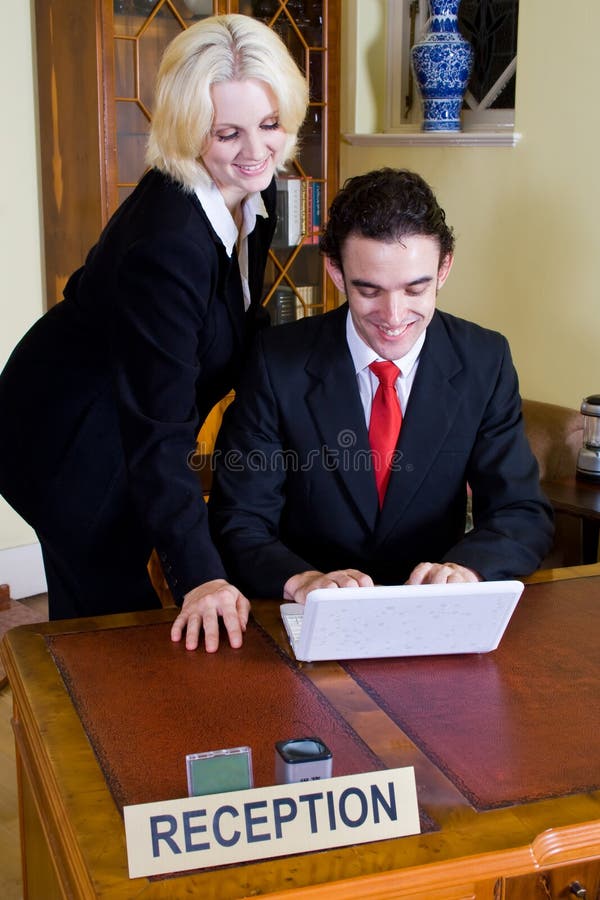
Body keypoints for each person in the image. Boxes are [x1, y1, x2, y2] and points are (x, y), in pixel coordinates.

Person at [0, 15, 308, 650]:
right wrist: (199, 577)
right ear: (189, 130)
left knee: (109, 610)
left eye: (270, 124)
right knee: (114, 627)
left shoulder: (254, 191)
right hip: (65, 437)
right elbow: (159, 429)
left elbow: (239, 322)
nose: (257, 150)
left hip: (123, 409)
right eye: (228, 133)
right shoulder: (168, 245)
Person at [209, 168, 554, 607]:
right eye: (369, 290)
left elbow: (521, 512)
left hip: (432, 617)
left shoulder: (484, 361)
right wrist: (301, 580)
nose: (393, 317)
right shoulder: (276, 362)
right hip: (304, 617)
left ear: (444, 268)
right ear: (336, 271)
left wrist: (467, 570)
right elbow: (238, 519)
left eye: (415, 289)